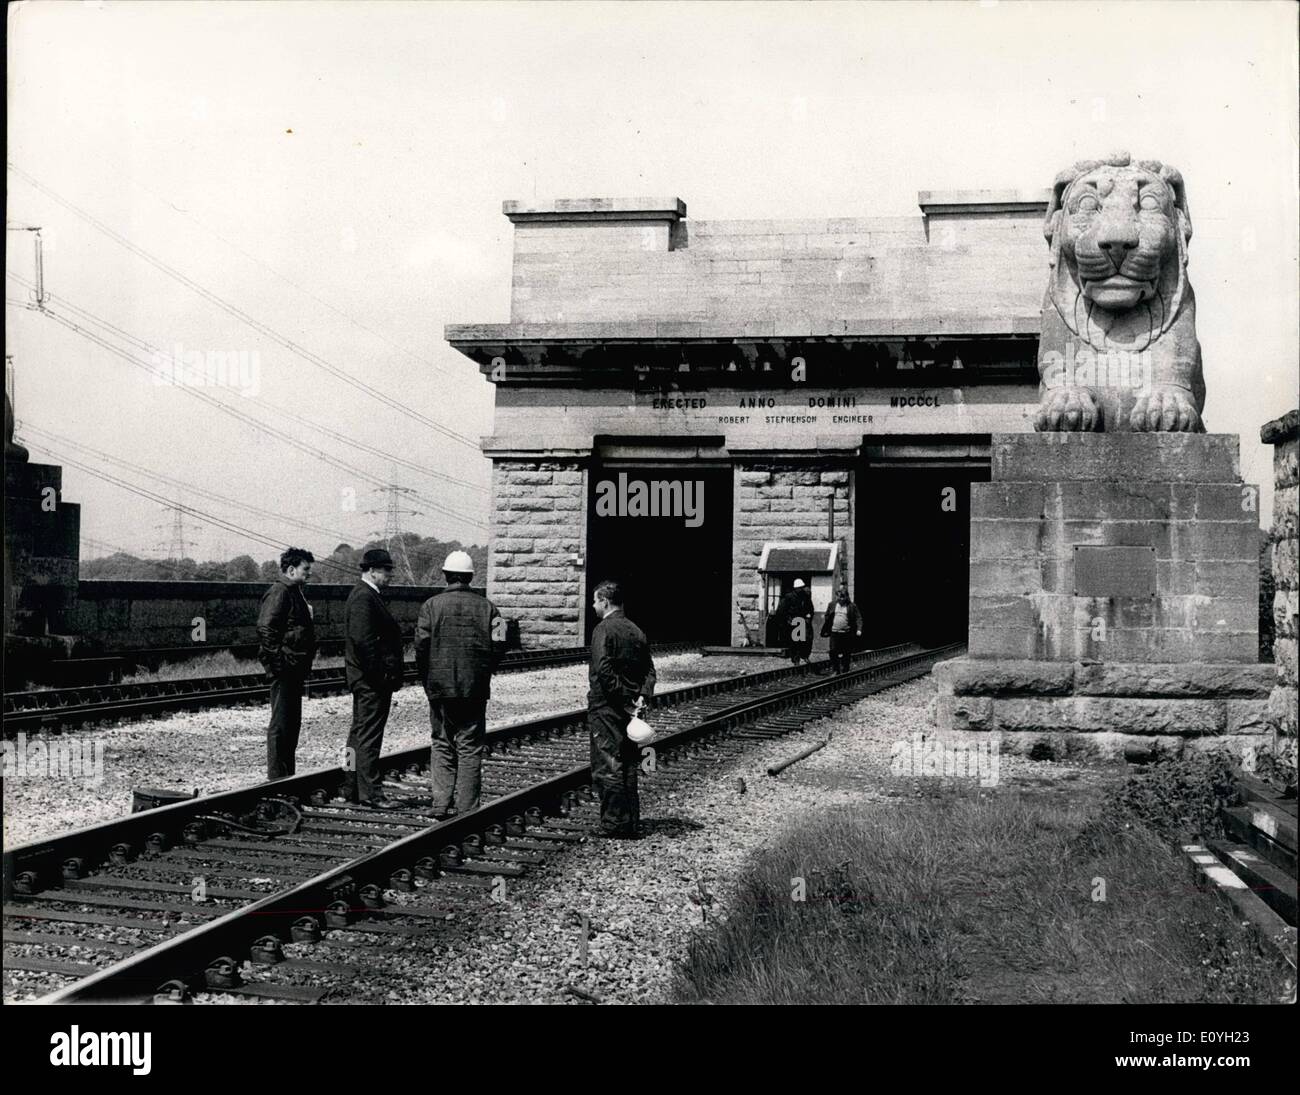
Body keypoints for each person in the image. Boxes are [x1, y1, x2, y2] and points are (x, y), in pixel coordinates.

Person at [414, 550, 504, 819]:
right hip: (474, 687)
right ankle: (467, 808)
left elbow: (421, 646)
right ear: (471, 577)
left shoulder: (430, 606)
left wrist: (428, 678)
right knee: (470, 745)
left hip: (439, 686)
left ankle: (440, 804)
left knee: (441, 741)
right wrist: (485, 671)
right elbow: (500, 643)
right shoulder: (489, 607)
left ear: (445, 575)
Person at [587, 580, 657, 839]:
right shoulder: (636, 630)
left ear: (605, 601)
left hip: (607, 706)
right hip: (631, 711)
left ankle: (614, 824)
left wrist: (623, 698)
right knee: (628, 763)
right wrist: (641, 697)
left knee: (608, 764)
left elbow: (603, 669)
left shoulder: (602, 630)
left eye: (595, 601)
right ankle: (631, 821)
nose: (593, 606)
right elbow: (650, 670)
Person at [340, 548, 406, 809]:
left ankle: (350, 786)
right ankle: (371, 793)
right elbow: (364, 642)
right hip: (370, 681)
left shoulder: (365, 595)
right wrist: (382, 676)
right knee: (368, 737)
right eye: (386, 570)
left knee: (357, 735)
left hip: (364, 679)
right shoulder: (364, 598)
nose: (390, 575)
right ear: (371, 571)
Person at [256, 547, 317, 780]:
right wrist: (280, 663)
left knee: (290, 725)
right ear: (291, 570)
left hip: (294, 668)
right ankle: (277, 779)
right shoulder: (280, 592)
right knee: (281, 726)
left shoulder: (294, 592)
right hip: (286, 669)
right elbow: (266, 628)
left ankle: (286, 778)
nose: (309, 573)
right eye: (306, 569)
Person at [820, 586, 863, 674]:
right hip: (834, 632)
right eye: (840, 596)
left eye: (843, 596)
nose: (841, 598)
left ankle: (845, 669)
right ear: (837, 596)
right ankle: (836, 669)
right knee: (832, 651)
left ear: (847, 596)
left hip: (846, 633)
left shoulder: (852, 606)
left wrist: (859, 629)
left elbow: (859, 618)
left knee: (846, 652)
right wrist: (828, 626)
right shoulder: (832, 604)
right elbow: (827, 615)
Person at [776, 578, 815, 665]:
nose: (801, 589)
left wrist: (809, 616)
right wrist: (787, 620)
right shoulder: (788, 597)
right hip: (794, 622)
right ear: (796, 588)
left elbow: (810, 608)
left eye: (802, 587)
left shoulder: (805, 597)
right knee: (795, 642)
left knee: (806, 640)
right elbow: (782, 610)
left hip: (803, 621)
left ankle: (805, 656)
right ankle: (795, 659)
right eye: (800, 587)